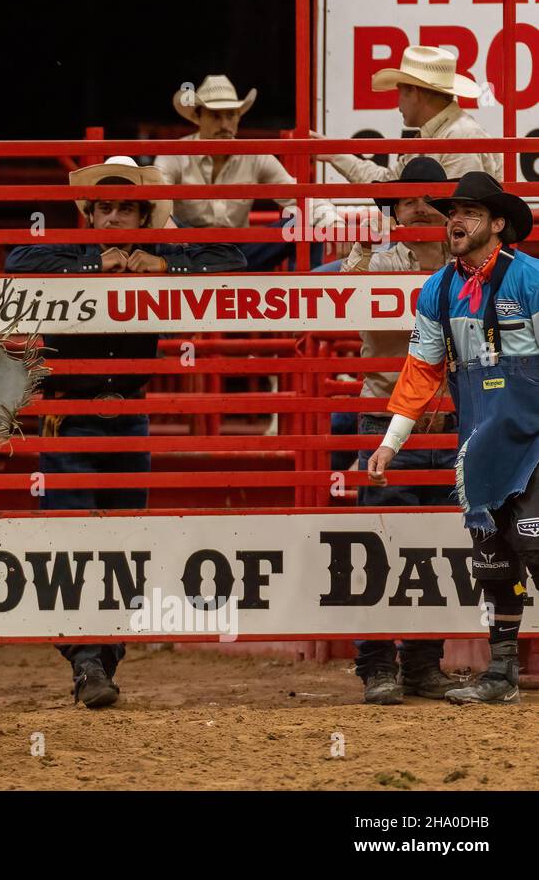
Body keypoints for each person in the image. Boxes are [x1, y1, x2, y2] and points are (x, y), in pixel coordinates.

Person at [6, 156, 246, 709]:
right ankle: (90, 659)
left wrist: (167, 269)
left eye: (127, 207)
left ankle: (99, 661)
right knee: (72, 541)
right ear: (90, 213)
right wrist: (96, 270)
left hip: (127, 416)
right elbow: (18, 261)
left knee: (123, 542)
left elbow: (232, 258)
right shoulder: (64, 254)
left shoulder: (159, 257)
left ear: (144, 214)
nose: (114, 216)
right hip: (71, 416)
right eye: (106, 206)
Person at [369, 171, 539, 704]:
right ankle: (502, 672)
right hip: (483, 443)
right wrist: (391, 441)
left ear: (497, 223)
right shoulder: (438, 289)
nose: (455, 221)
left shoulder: (530, 279)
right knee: (491, 558)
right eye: (454, 212)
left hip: (534, 438)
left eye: (469, 212)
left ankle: (503, 671)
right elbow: (421, 369)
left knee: (534, 541)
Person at [345, 157, 460, 705]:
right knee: (382, 542)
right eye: (408, 197)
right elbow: (346, 307)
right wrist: (364, 249)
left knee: (436, 546)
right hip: (387, 418)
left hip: (451, 424)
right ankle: (375, 664)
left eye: (428, 197)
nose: (418, 206)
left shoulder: (468, 266)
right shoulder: (375, 259)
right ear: (393, 207)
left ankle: (421, 662)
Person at [155, 74, 345, 271]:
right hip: (191, 249)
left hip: (241, 252)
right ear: (198, 117)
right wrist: (166, 220)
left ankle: (304, 289)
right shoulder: (174, 154)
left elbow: (299, 195)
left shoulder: (255, 156)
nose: (224, 125)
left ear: (238, 117)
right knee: (162, 218)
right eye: (215, 115)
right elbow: (157, 195)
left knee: (305, 220)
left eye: (230, 115)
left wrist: (334, 222)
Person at [315, 45, 502, 184]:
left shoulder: (459, 136)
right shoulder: (444, 133)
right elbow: (388, 181)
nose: (398, 103)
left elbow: (458, 211)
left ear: (413, 92)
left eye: (400, 92)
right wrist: (334, 155)